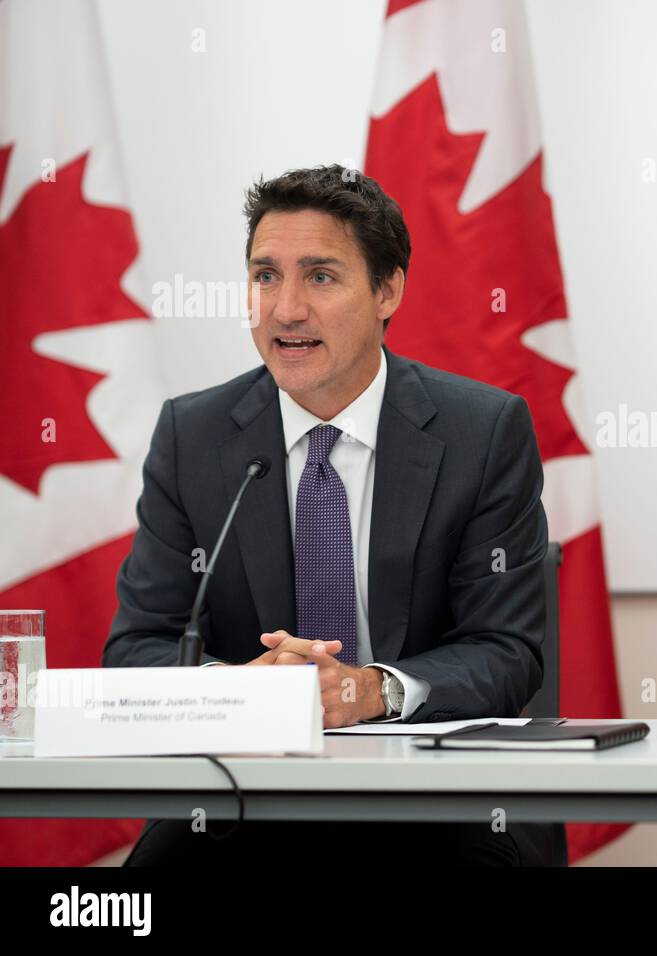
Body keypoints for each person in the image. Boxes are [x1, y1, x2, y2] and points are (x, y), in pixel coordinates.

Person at [104, 164, 559, 866]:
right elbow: (137, 649)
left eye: (319, 276)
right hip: (244, 798)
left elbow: (507, 651)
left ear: (387, 290)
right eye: (265, 276)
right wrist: (239, 690)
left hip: (438, 795)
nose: (285, 309)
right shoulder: (193, 437)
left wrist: (366, 690)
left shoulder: (484, 432)